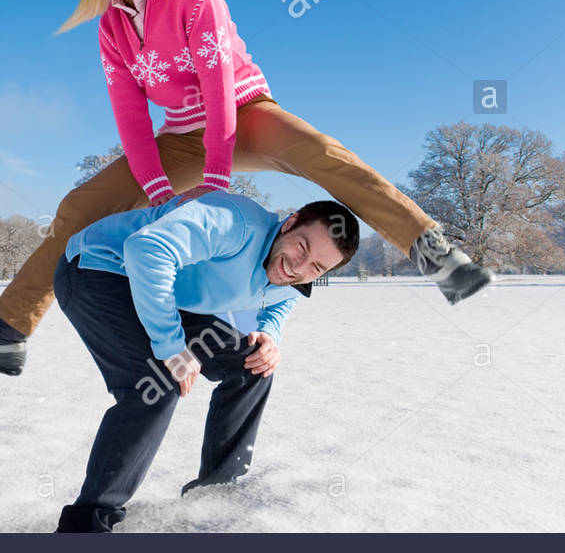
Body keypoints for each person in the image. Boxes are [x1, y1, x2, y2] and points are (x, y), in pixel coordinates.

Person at [0, 0, 490, 377]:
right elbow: (130, 116)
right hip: (180, 137)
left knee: (323, 156)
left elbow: (219, 87)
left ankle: (437, 254)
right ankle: (6, 335)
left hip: (244, 112)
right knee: (80, 204)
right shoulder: (109, 25)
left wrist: (217, 181)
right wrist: (158, 190)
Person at [53, 191, 358, 532]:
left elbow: (282, 297)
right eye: (302, 247)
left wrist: (269, 332)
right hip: (98, 269)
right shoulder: (233, 221)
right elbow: (146, 249)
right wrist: (171, 346)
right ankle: (88, 522)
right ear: (289, 223)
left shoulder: (293, 273)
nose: (298, 268)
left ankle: (216, 491)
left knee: (252, 365)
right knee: (156, 384)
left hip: (164, 294)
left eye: (316, 267)